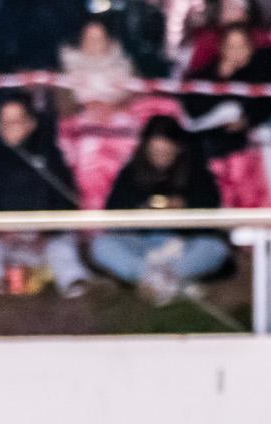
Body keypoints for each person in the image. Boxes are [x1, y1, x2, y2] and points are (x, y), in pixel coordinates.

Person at [90, 115, 229, 303]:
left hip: (183, 243)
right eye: (155, 152)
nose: (160, 159)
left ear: (178, 147)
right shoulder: (131, 171)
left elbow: (211, 210)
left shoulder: (196, 170)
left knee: (214, 248)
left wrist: (184, 206)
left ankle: (160, 279)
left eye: (166, 153)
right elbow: (112, 213)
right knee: (101, 245)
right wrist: (141, 210)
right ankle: (163, 279)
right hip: (142, 245)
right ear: (146, 148)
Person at [0, 94, 89, 296]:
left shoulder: (49, 157)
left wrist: (45, 233)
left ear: (30, 124)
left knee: (62, 247)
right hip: (1, 235)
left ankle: (74, 284)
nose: (8, 128)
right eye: (4, 122)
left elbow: (66, 202)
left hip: (41, 236)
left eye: (15, 122)